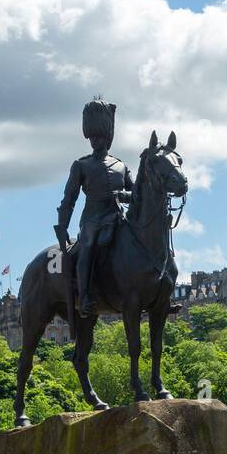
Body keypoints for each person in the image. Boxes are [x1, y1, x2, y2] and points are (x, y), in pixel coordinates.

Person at [54, 98, 134, 317]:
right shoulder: (82, 165)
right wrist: (63, 225)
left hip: (118, 218)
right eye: (93, 137)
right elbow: (69, 199)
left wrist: (123, 195)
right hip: (93, 219)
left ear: (108, 137)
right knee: (87, 247)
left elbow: (137, 195)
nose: (97, 141)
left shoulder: (121, 166)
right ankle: (87, 296)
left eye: (101, 136)